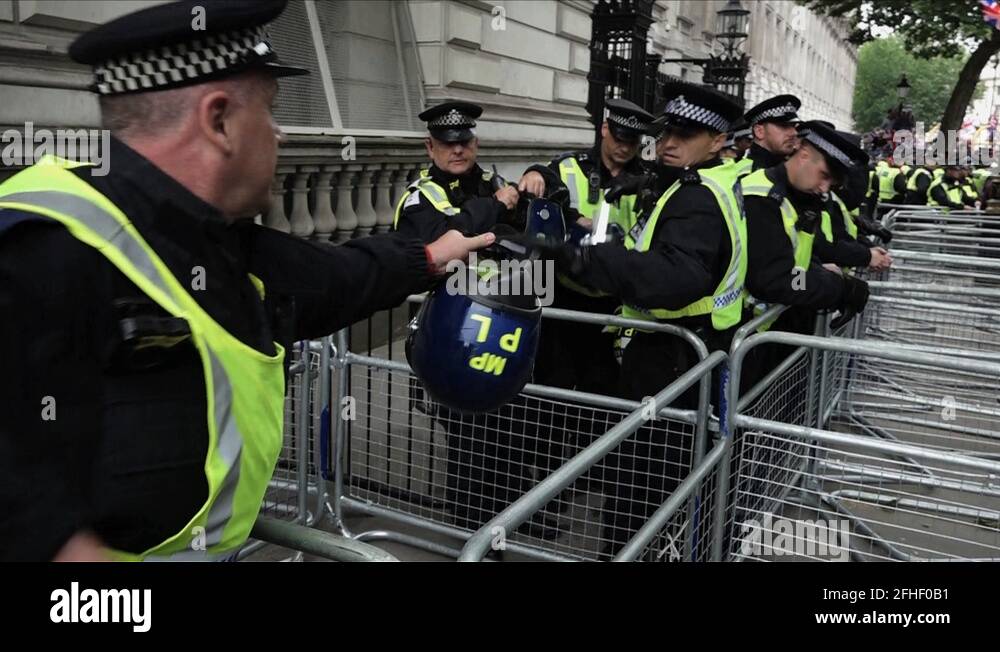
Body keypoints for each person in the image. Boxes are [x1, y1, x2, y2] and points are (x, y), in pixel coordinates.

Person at [0, 0, 493, 562]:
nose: (280, 136)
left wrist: (429, 256)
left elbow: (335, 278)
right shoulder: (40, 249)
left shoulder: (213, 236)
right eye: (271, 111)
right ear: (218, 121)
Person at [526, 82, 745, 557]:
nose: (667, 143)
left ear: (717, 141)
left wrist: (586, 260)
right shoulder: (704, 182)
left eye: (686, 135)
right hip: (682, 350)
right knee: (647, 477)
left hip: (673, 357)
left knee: (638, 488)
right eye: (668, 132)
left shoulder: (699, 196)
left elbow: (676, 276)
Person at [393, 101, 520, 242]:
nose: (458, 150)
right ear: (430, 148)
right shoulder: (419, 198)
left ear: (476, 144)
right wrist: (494, 205)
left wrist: (537, 173)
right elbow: (443, 242)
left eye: (465, 142)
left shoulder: (492, 182)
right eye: (448, 143)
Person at [730, 94, 802, 175]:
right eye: (784, 126)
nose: (794, 133)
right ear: (759, 131)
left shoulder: (795, 175)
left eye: (793, 126)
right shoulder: (741, 174)